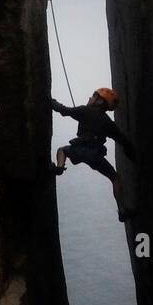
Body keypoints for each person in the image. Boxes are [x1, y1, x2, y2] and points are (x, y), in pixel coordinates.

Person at [51, 88, 136, 221]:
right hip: (95, 155)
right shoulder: (108, 123)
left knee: (62, 150)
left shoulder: (84, 111)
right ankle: (122, 210)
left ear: (99, 101)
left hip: (79, 150)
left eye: (93, 96)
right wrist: (132, 155)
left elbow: (63, 110)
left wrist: (51, 101)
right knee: (114, 178)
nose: (90, 98)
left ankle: (60, 167)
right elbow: (123, 140)